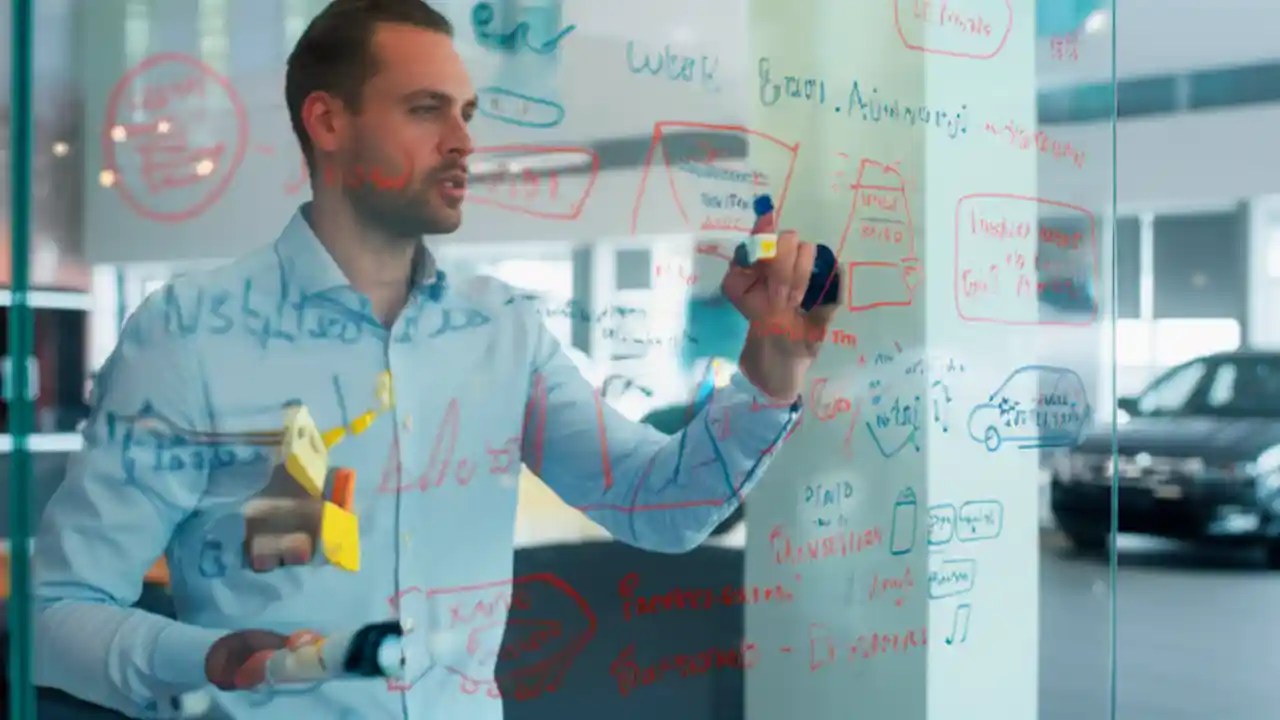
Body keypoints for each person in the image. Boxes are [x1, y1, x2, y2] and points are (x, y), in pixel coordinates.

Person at [30, 0, 837, 717]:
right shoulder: (189, 333)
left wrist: (770, 371)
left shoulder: (500, 330)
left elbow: (655, 506)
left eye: (467, 112)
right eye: (426, 110)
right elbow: (58, 611)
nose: (462, 142)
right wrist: (202, 657)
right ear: (328, 121)